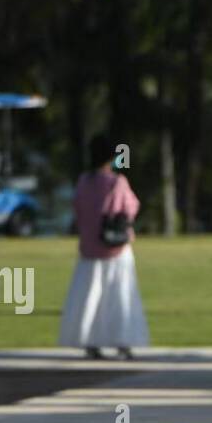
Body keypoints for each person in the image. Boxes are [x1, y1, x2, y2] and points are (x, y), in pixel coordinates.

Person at [58, 134, 149, 360]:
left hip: (89, 248)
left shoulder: (83, 181)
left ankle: (91, 341)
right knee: (120, 296)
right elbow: (131, 208)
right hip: (116, 250)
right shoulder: (117, 182)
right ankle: (123, 341)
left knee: (91, 297)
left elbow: (78, 210)